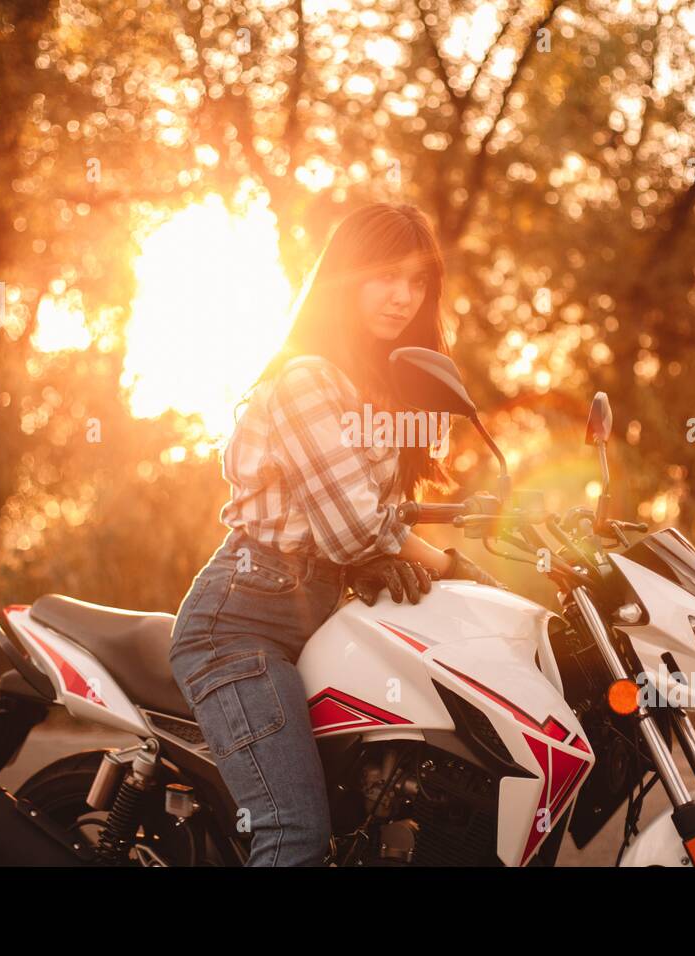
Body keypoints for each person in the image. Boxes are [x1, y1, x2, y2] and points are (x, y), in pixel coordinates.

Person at [167, 201, 501, 866]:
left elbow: (375, 521)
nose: (402, 297)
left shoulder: (374, 386)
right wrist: (453, 567)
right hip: (239, 623)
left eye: (417, 283)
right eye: (385, 277)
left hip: (310, 617)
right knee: (294, 833)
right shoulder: (308, 377)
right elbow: (354, 527)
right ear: (347, 277)